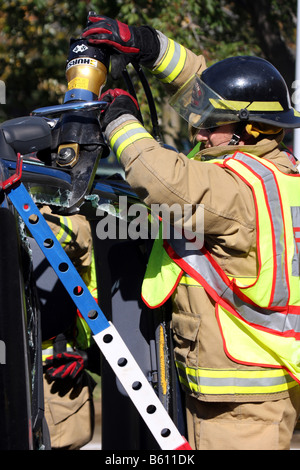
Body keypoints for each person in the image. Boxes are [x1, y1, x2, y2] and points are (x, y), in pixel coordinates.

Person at [82, 15, 300, 450]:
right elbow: (216, 89)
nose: (198, 130)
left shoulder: (234, 187)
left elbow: (160, 177)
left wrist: (120, 119)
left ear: (249, 128)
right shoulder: (275, 174)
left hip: (240, 396)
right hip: (262, 377)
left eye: (209, 123)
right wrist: (148, 45)